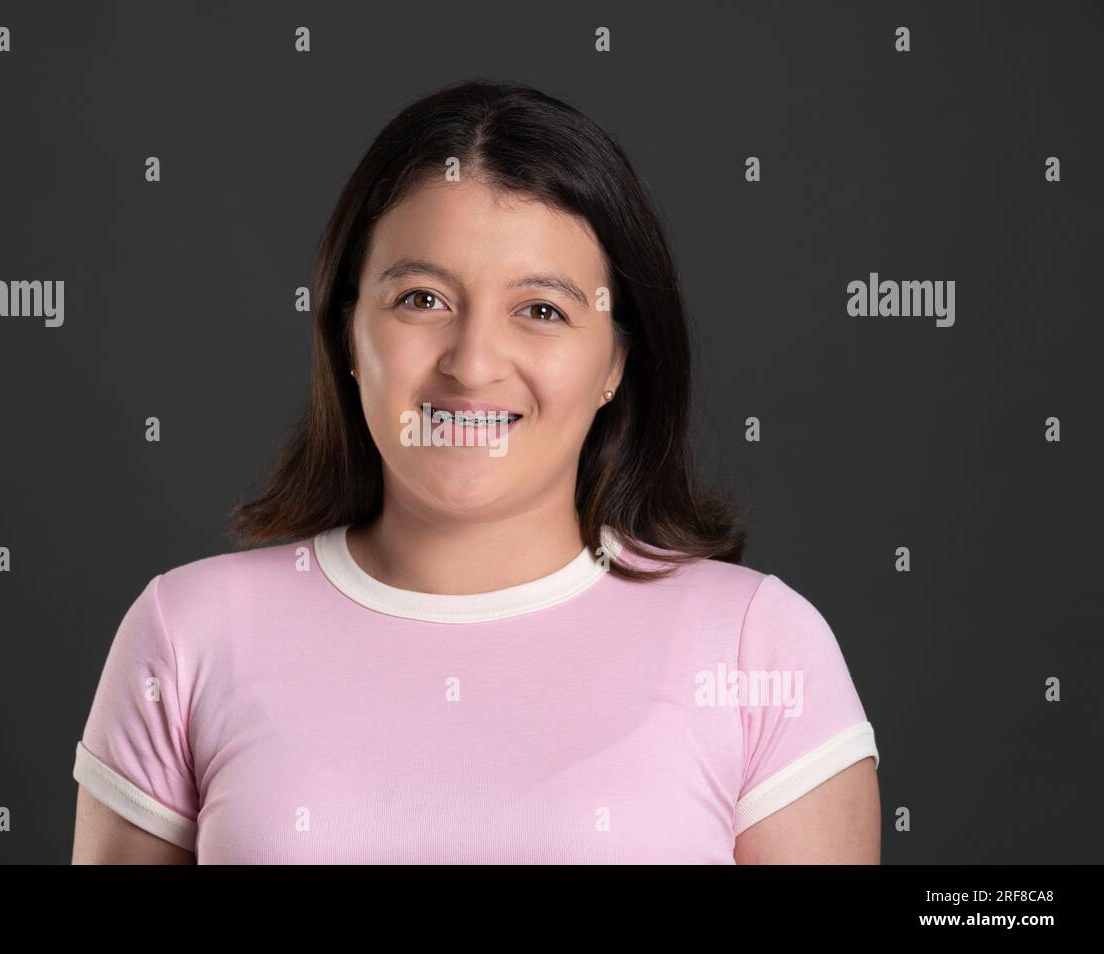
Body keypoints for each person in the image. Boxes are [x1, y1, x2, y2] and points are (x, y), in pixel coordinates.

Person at [71, 79, 880, 864]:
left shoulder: (757, 647)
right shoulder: (185, 636)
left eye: (542, 310)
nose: (473, 363)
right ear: (348, 333)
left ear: (615, 364)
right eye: (422, 299)